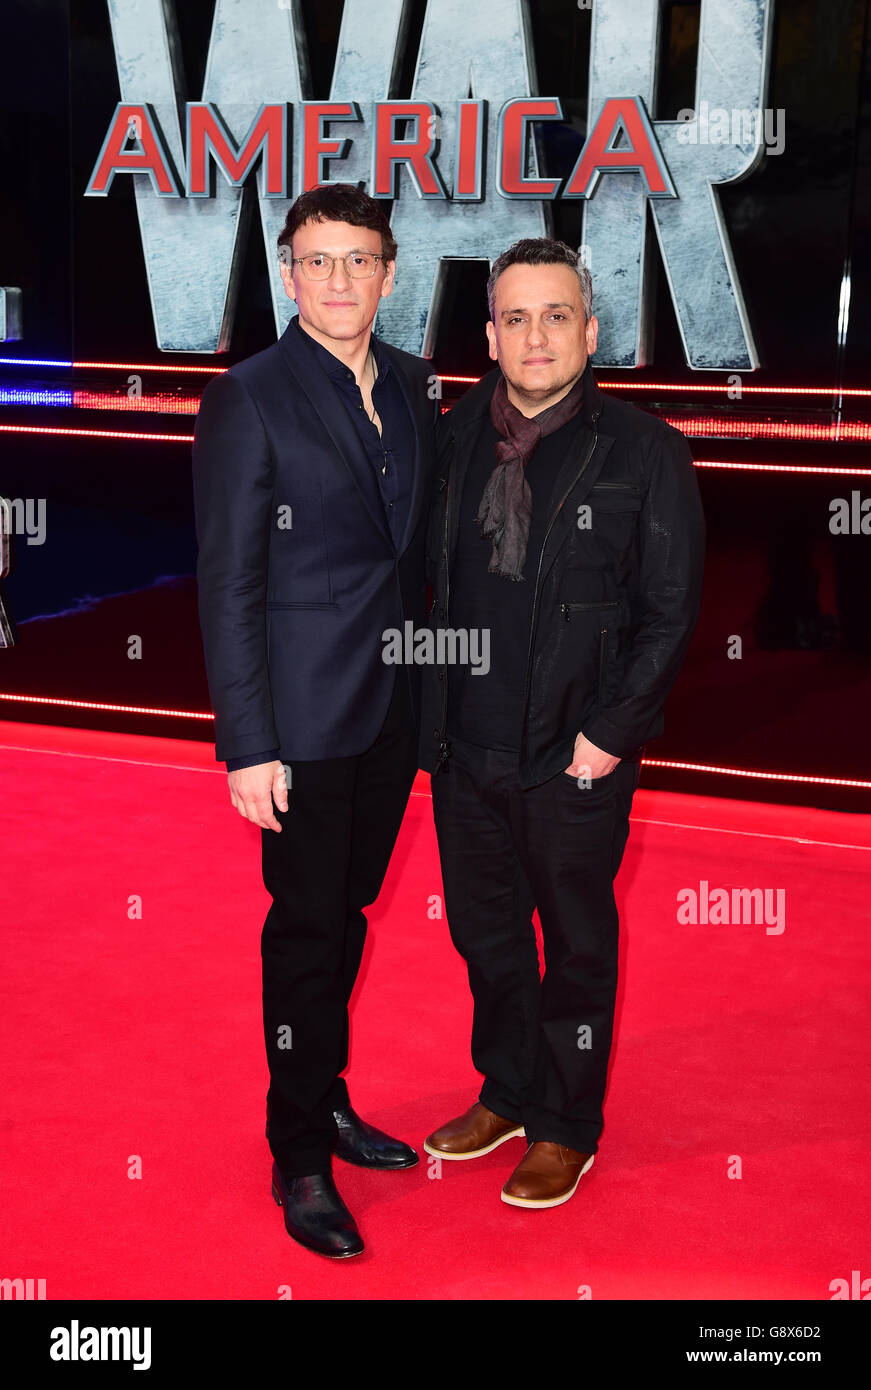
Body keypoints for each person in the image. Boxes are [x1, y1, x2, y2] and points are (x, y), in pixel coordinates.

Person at [419, 237, 705, 1208]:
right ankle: (505, 1088)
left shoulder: (644, 451)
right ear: (490, 334)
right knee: (482, 933)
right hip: (466, 748)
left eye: (554, 316)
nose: (534, 335)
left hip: (574, 756)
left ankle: (565, 1125)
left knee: (575, 945)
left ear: (589, 329)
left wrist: (611, 733)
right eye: (514, 316)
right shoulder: (456, 436)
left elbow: (669, 610)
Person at [192, 184, 437, 1257]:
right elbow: (228, 583)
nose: (339, 280)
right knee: (302, 934)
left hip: (392, 712)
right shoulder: (249, 398)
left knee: (346, 916)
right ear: (289, 275)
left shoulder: (423, 388)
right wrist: (247, 741)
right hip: (298, 722)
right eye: (317, 260)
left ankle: (326, 1093)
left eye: (359, 260)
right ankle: (298, 1151)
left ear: (390, 273)